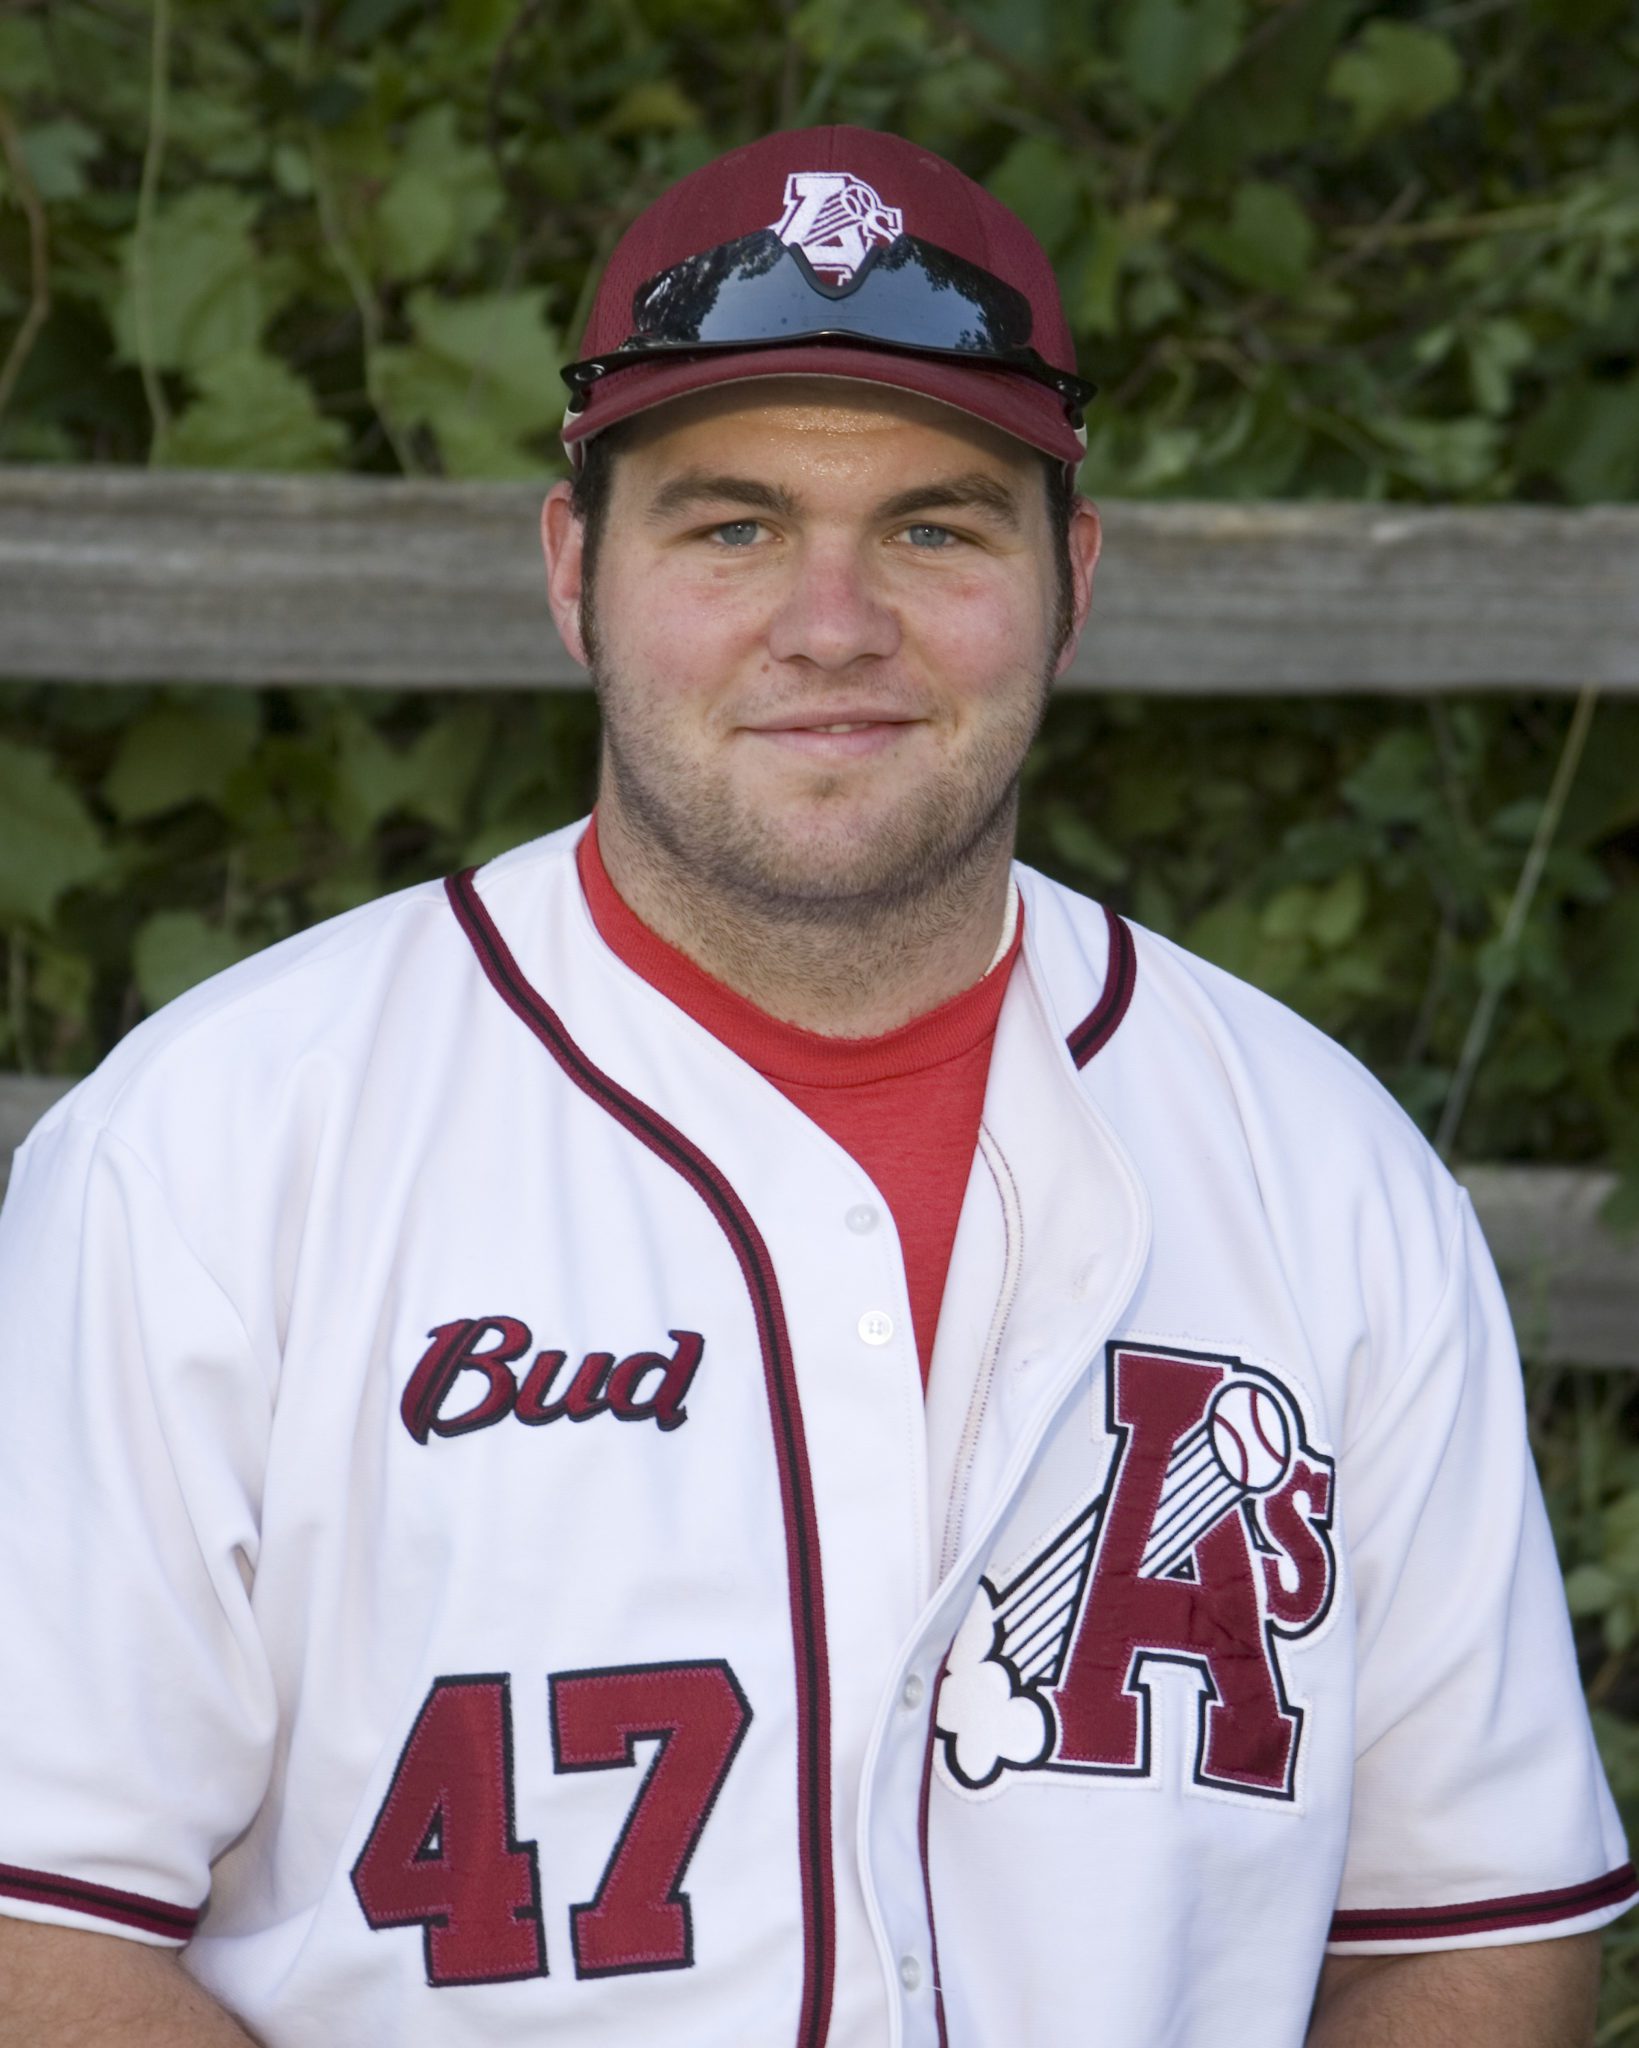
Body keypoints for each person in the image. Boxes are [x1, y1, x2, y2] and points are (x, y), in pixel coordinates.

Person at [0, 124, 1630, 2048]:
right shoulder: (211, 1152)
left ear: (1071, 578)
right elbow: (55, 1935)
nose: (833, 623)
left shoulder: (1326, 1169)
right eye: (732, 523)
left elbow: (1476, 1927)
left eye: (935, 527)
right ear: (571, 568)